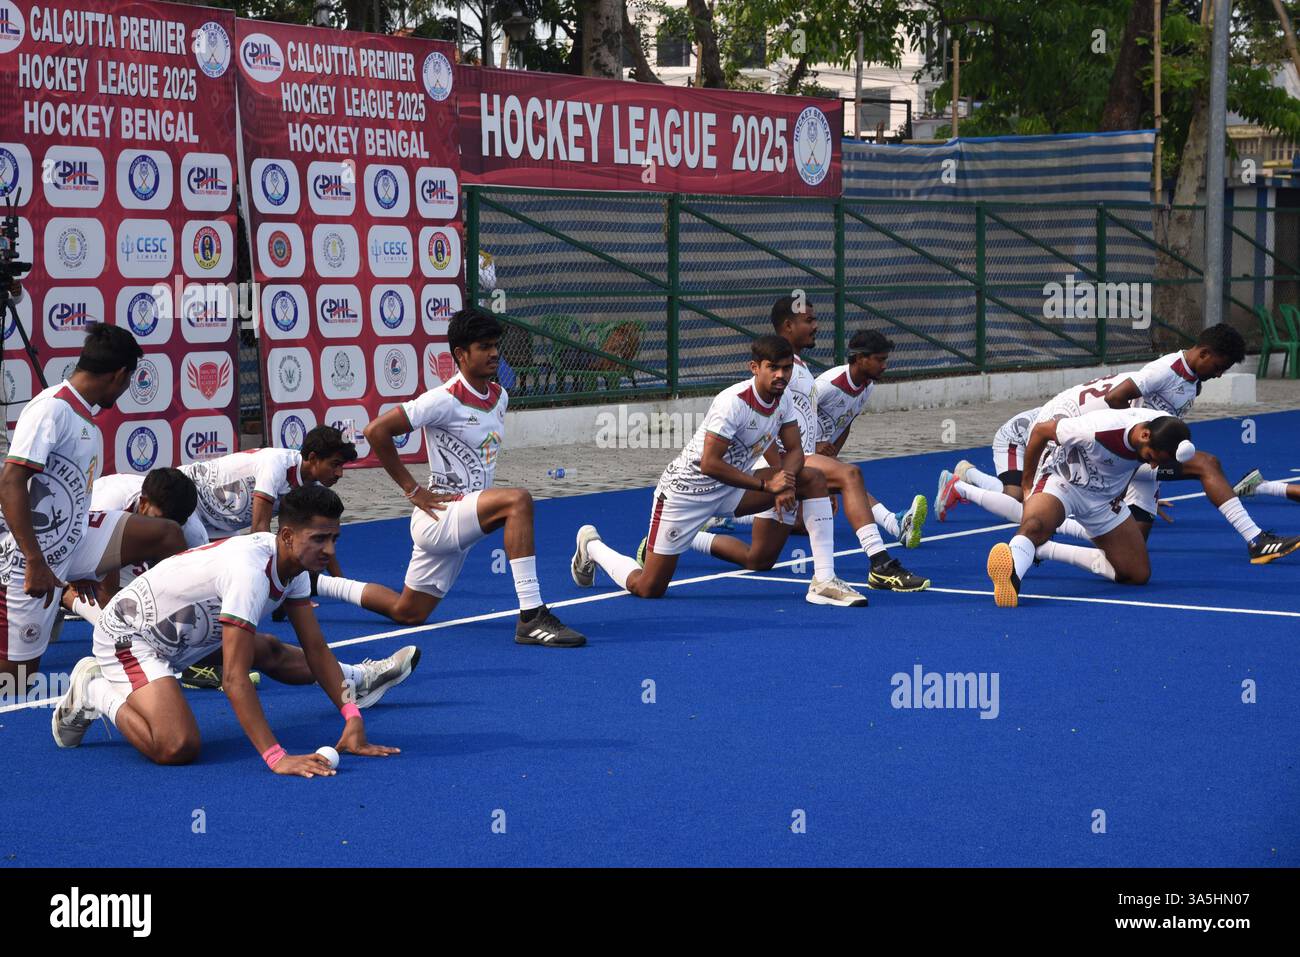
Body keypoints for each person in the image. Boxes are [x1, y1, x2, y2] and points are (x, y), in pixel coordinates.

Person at [50, 485, 418, 774]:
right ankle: (94, 690)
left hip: (186, 634)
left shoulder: (292, 567)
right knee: (176, 746)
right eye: (319, 539)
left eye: (334, 538)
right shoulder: (250, 574)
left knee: (272, 650)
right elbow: (234, 679)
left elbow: (317, 651)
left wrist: (351, 716)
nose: (329, 549)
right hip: (131, 638)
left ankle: (357, 679)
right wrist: (276, 757)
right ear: (287, 535)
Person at [316, 308, 586, 646]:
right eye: (484, 346)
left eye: (496, 345)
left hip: (464, 516)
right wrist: (413, 490)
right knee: (517, 501)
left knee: (408, 611)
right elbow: (376, 431)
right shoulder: (442, 399)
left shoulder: (499, 396)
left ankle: (313, 584)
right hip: (440, 516)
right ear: (460, 354)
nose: (494, 353)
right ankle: (531, 616)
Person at [943, 324, 1300, 563]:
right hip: (1092, 441)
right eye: (1219, 365)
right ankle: (1256, 541)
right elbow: (1118, 398)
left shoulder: (1192, 381)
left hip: (1131, 449)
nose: (1220, 373)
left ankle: (1039, 544)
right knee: (1208, 464)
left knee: (1135, 542)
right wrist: (1131, 456)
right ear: (1204, 353)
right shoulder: (1166, 371)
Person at [571, 335, 871, 605]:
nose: (781, 375)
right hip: (685, 495)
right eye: (773, 368)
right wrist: (769, 488)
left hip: (733, 491)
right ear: (755, 367)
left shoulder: (784, 400)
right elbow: (709, 463)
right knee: (650, 588)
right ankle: (593, 547)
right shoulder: (732, 403)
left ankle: (824, 581)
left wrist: (787, 483)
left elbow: (794, 450)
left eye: (786, 369)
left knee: (812, 479)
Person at [0, 323, 142, 687]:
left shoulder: (86, 422)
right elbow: (11, 481)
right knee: (15, 683)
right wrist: (34, 561)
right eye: (128, 382)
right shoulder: (52, 410)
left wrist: (81, 561)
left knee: (165, 535)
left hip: (62, 554)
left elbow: (71, 500)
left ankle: (163, 647)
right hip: (23, 563)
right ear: (119, 374)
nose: (126, 390)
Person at [986, 408, 1194, 608]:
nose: (1153, 466)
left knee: (1137, 574)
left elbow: (1131, 464)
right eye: (1151, 458)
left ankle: (1044, 549)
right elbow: (1041, 430)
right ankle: (1013, 573)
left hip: (1104, 500)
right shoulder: (1095, 429)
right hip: (1064, 482)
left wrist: (1122, 493)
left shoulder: (1161, 431)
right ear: (1145, 435)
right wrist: (1027, 484)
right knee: (1035, 524)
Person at [178, 425, 356, 541]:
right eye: (335, 464)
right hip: (183, 498)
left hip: (219, 524)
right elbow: (259, 530)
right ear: (313, 458)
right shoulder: (277, 465)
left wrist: (337, 581)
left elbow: (315, 539)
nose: (340, 473)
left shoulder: (312, 487)